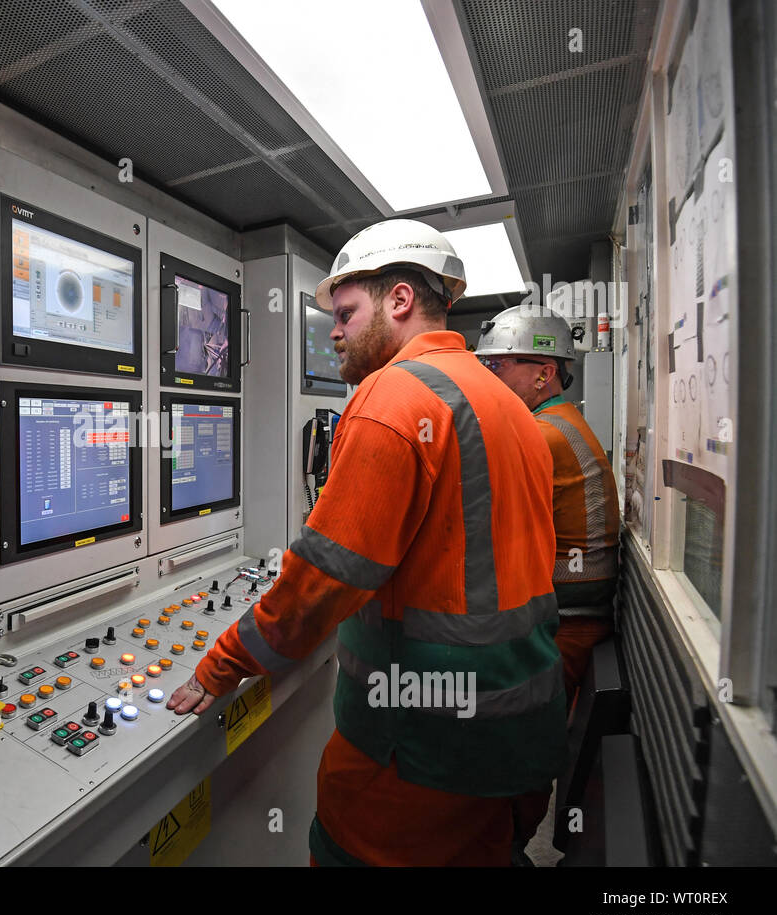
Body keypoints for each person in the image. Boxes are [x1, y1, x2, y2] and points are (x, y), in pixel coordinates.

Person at [168, 219, 568, 866]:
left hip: (421, 741)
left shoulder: (392, 396)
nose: (333, 330)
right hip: (517, 721)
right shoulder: (507, 405)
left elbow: (327, 576)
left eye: (347, 313)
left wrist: (224, 661)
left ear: (400, 300)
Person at [476, 305, 620, 702]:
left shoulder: (541, 433)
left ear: (544, 373)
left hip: (566, 623)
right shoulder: (561, 420)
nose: (488, 377)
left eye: (497, 365)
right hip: (572, 614)